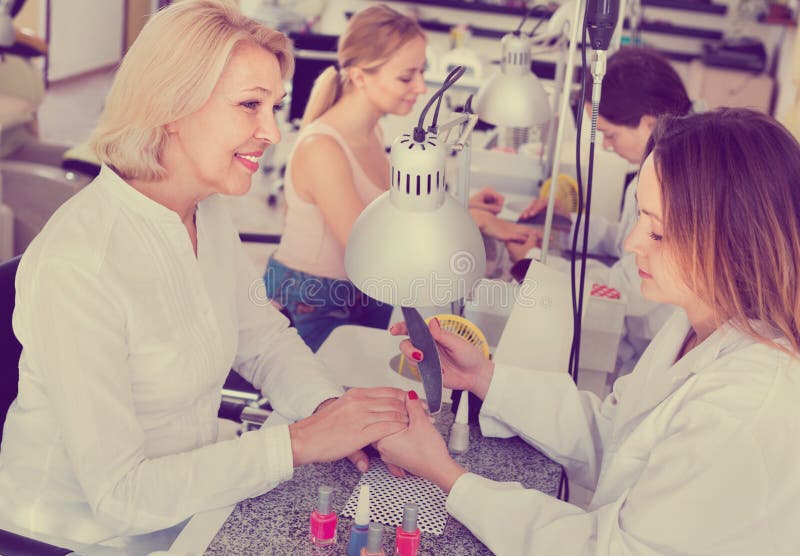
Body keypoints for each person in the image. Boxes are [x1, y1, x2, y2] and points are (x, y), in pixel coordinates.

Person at [0, 0, 408, 545]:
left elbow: (260, 340)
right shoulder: (80, 264)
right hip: (75, 532)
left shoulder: (204, 209)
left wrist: (331, 410)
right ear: (172, 105)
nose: (271, 132)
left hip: (188, 496)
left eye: (274, 107)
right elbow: (122, 495)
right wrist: (301, 442)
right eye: (249, 105)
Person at [378, 108, 800, 555]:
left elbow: (612, 551)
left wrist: (446, 475)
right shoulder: (702, 321)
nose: (633, 242)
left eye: (657, 232)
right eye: (640, 216)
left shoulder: (747, 402)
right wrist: (483, 376)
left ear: (731, 239)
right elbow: (618, 439)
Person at [265, 5, 533, 351]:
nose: (421, 87)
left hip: (363, 295)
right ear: (361, 77)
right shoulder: (323, 148)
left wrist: (459, 208)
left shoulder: (372, 131)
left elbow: (388, 216)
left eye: (421, 72)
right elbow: (374, 248)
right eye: (407, 77)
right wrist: (473, 223)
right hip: (314, 302)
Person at [514, 48, 693, 373]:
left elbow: (628, 285)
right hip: (640, 336)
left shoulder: (683, 182)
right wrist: (567, 225)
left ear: (649, 122)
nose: (607, 145)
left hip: (655, 344)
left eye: (611, 134)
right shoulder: (655, 166)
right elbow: (624, 240)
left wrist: (538, 266)